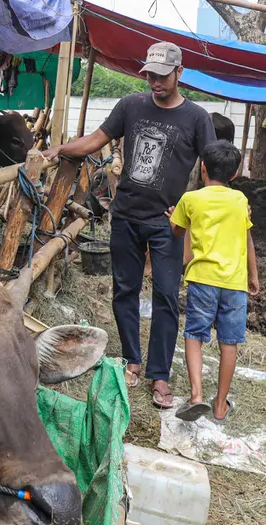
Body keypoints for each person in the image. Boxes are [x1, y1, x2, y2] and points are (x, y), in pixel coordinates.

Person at [43, 41, 215, 408]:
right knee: (125, 291)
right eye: (150, 75)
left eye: (162, 76)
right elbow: (96, 140)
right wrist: (58, 150)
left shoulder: (198, 118)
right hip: (126, 216)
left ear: (179, 73)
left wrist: (201, 208)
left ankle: (161, 376)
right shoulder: (130, 106)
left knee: (167, 297)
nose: (154, 82)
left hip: (169, 223)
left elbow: (211, 166)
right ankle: (132, 361)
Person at [169, 140, 259, 423]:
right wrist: (253, 276)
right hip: (235, 283)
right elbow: (248, 239)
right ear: (234, 175)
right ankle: (220, 405)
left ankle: (196, 396)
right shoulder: (240, 201)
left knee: (195, 335)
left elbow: (176, 232)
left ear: (203, 168)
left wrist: (173, 218)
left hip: (203, 279)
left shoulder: (190, 199)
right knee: (229, 342)